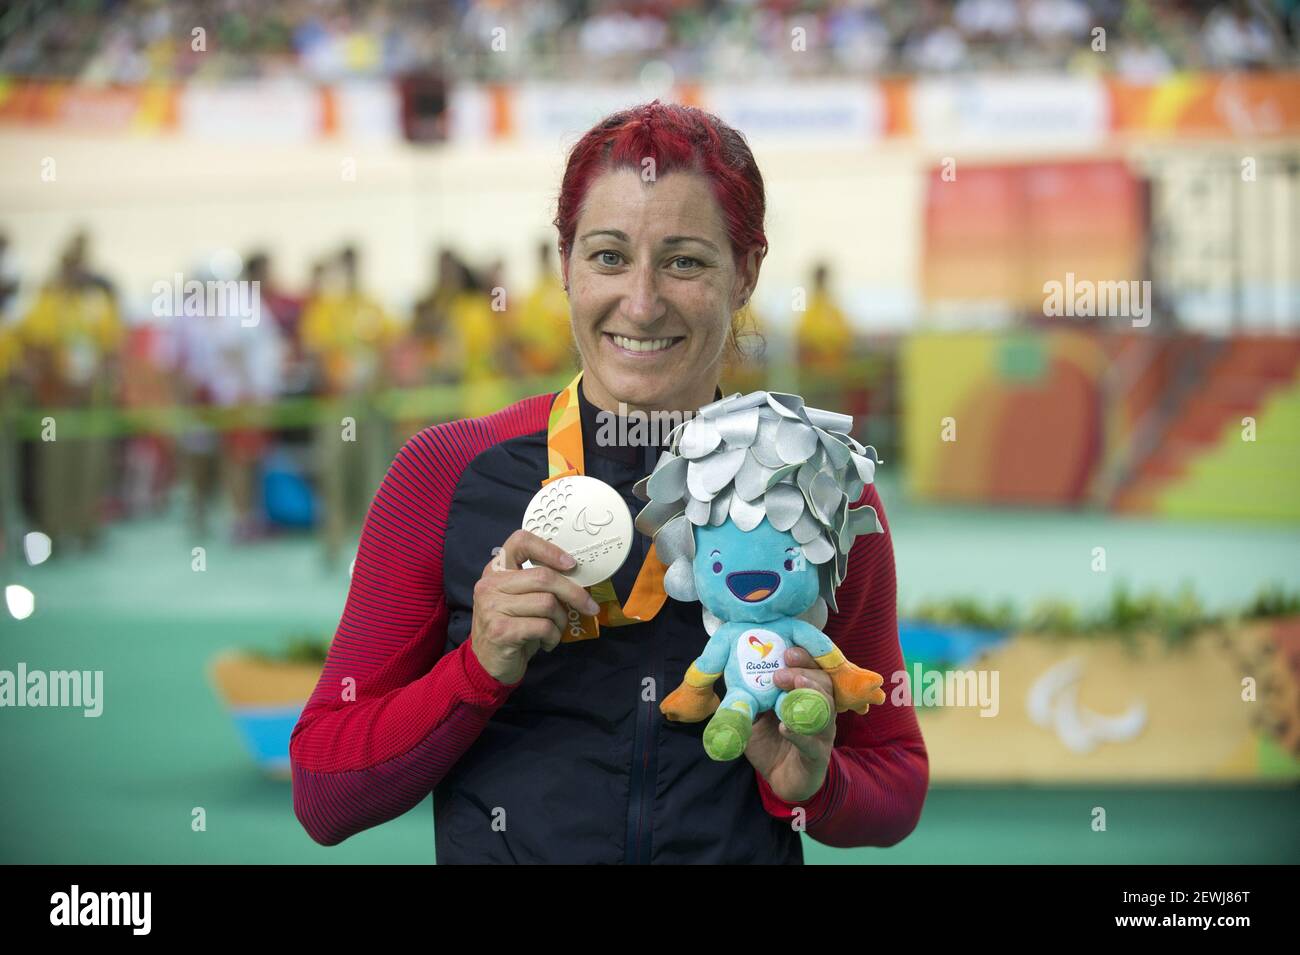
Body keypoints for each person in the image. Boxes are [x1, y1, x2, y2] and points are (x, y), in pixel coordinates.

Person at [290, 100, 927, 863]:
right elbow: (324, 789)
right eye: (608, 256)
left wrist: (817, 784)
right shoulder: (446, 473)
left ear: (746, 271)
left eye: (685, 260)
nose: (642, 301)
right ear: (565, 265)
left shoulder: (815, 487)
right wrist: (476, 668)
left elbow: (895, 778)